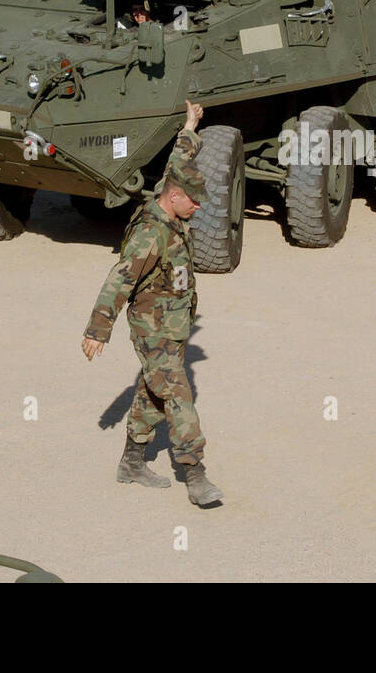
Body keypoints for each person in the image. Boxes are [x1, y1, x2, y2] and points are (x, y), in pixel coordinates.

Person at [80, 100, 223, 507]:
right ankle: (196, 476)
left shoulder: (172, 197)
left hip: (173, 327)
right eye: (193, 203)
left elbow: (178, 162)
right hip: (153, 331)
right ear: (174, 196)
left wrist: (190, 127)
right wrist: (98, 330)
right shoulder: (151, 235)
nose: (198, 209)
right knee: (178, 395)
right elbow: (118, 280)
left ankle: (131, 462)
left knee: (151, 392)